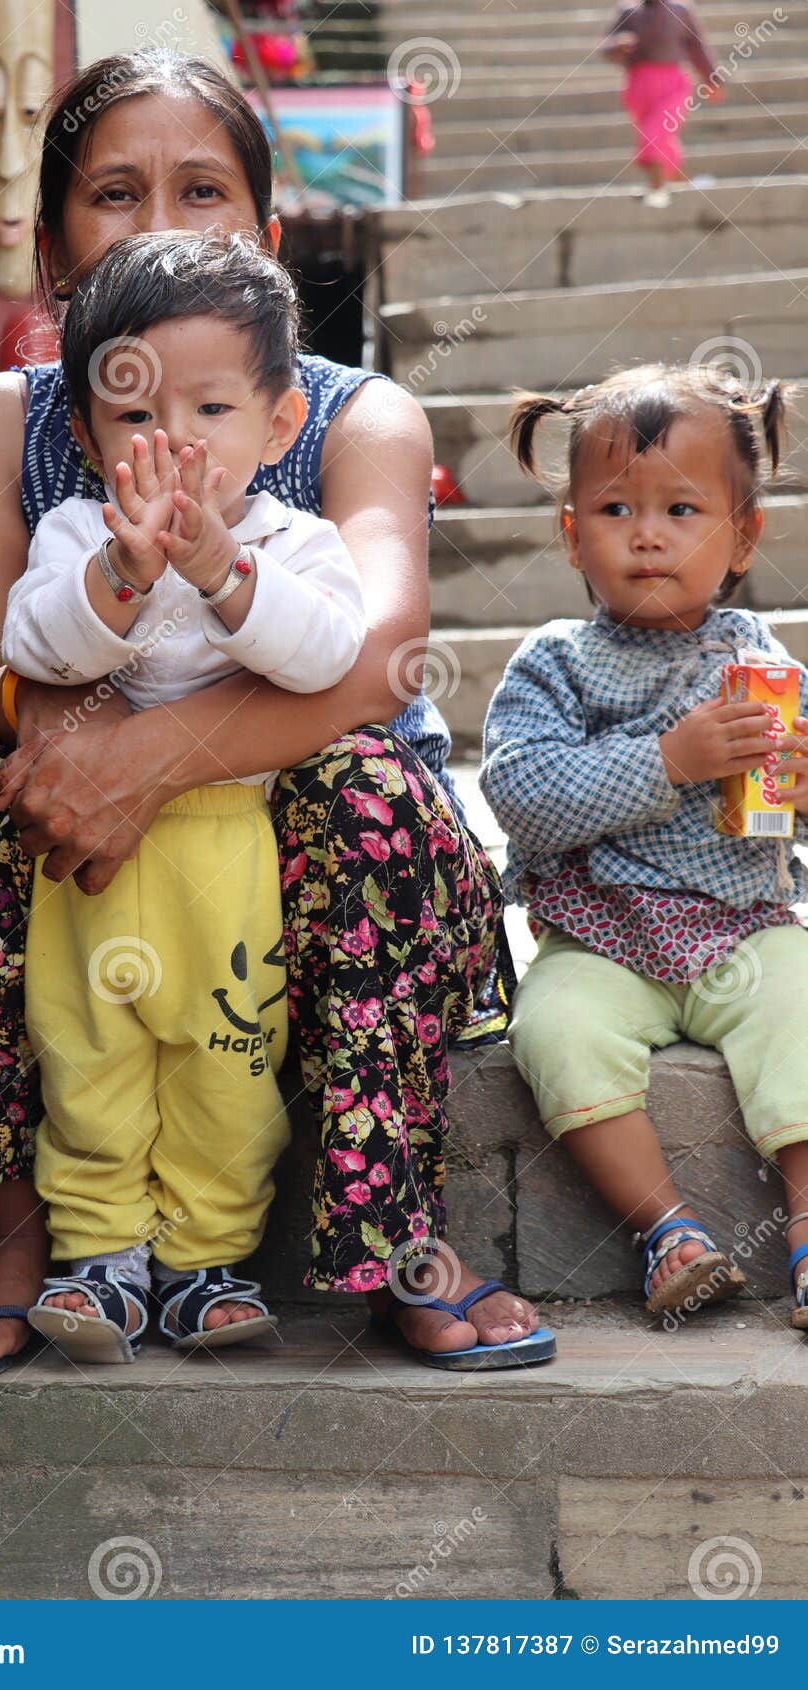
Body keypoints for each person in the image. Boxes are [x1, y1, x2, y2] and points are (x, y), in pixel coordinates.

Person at [0, 49, 542, 1379]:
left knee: (374, 788)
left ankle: (390, 1225)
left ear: (268, 244)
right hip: (84, 869)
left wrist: (151, 757)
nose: (159, 224)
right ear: (54, 257)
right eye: (115, 193)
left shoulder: (348, 415)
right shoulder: (18, 420)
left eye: (203, 191)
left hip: (308, 844)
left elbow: (380, 663)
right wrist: (65, 708)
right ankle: (12, 1228)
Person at [2, 229, 366, 1359]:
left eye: (210, 410)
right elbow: (34, 648)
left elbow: (325, 656)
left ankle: (208, 1259)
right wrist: (122, 575)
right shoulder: (78, 534)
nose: (173, 445)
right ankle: (99, 1256)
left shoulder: (295, 544)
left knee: (228, 1053)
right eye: (133, 414)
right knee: (87, 1046)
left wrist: (222, 571)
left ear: (279, 424)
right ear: (83, 434)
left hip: (223, 838)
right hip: (91, 858)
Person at [481, 363, 808, 1331]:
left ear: (741, 536)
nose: (647, 533)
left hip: (743, 929)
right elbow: (522, 795)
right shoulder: (554, 663)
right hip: (601, 939)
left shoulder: (759, 662)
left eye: (681, 509)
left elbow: (790, 799)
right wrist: (667, 759)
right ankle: (668, 1230)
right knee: (553, 1031)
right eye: (615, 508)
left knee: (800, 1010)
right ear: (571, 533)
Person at [602, 0, 720, 207]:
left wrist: (712, 79)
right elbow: (606, 46)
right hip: (639, 87)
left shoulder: (681, 11)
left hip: (673, 85)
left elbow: (697, 48)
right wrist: (618, 44)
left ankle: (656, 188)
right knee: (662, 142)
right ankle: (682, 187)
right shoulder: (628, 12)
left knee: (654, 134)